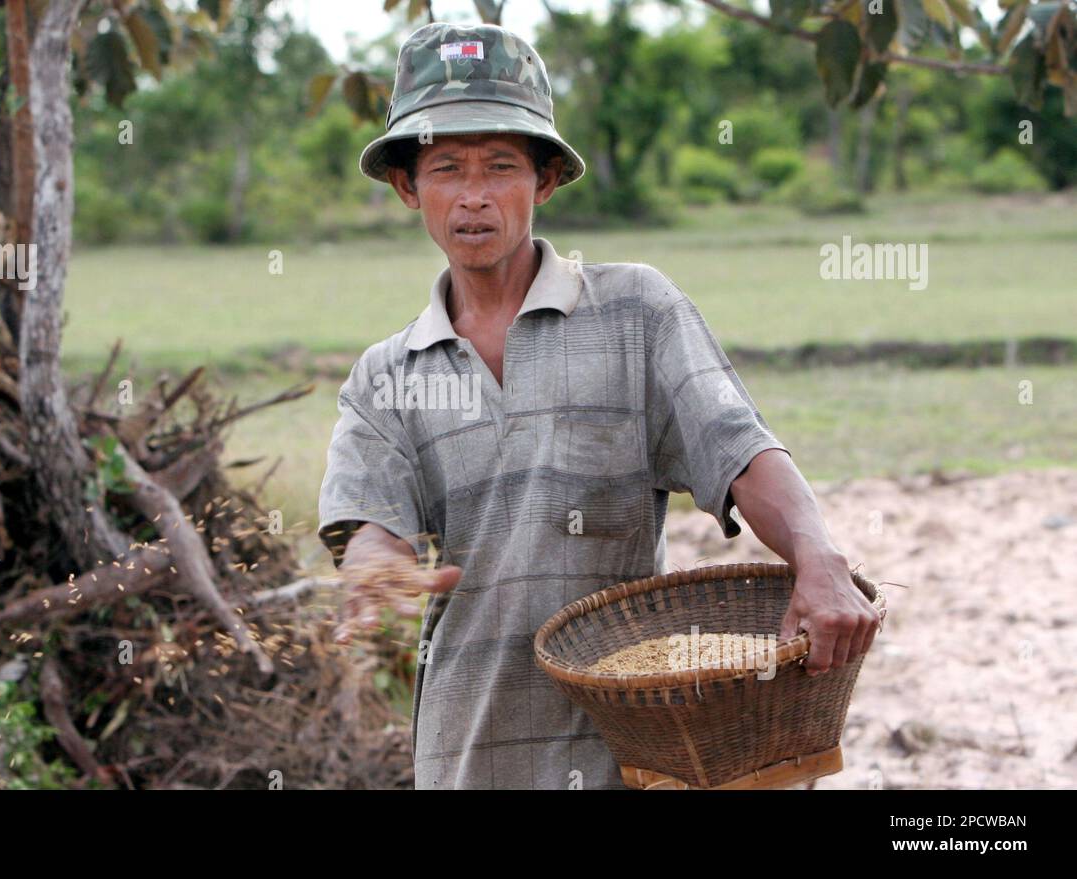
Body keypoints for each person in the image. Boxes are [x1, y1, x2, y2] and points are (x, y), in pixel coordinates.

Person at [317, 21, 880, 790]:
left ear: (545, 179)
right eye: (446, 167)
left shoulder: (636, 313)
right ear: (407, 187)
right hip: (468, 750)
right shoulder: (387, 374)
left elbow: (740, 450)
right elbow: (369, 526)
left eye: (501, 166)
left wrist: (818, 558)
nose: (474, 195)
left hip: (632, 752)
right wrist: (376, 568)